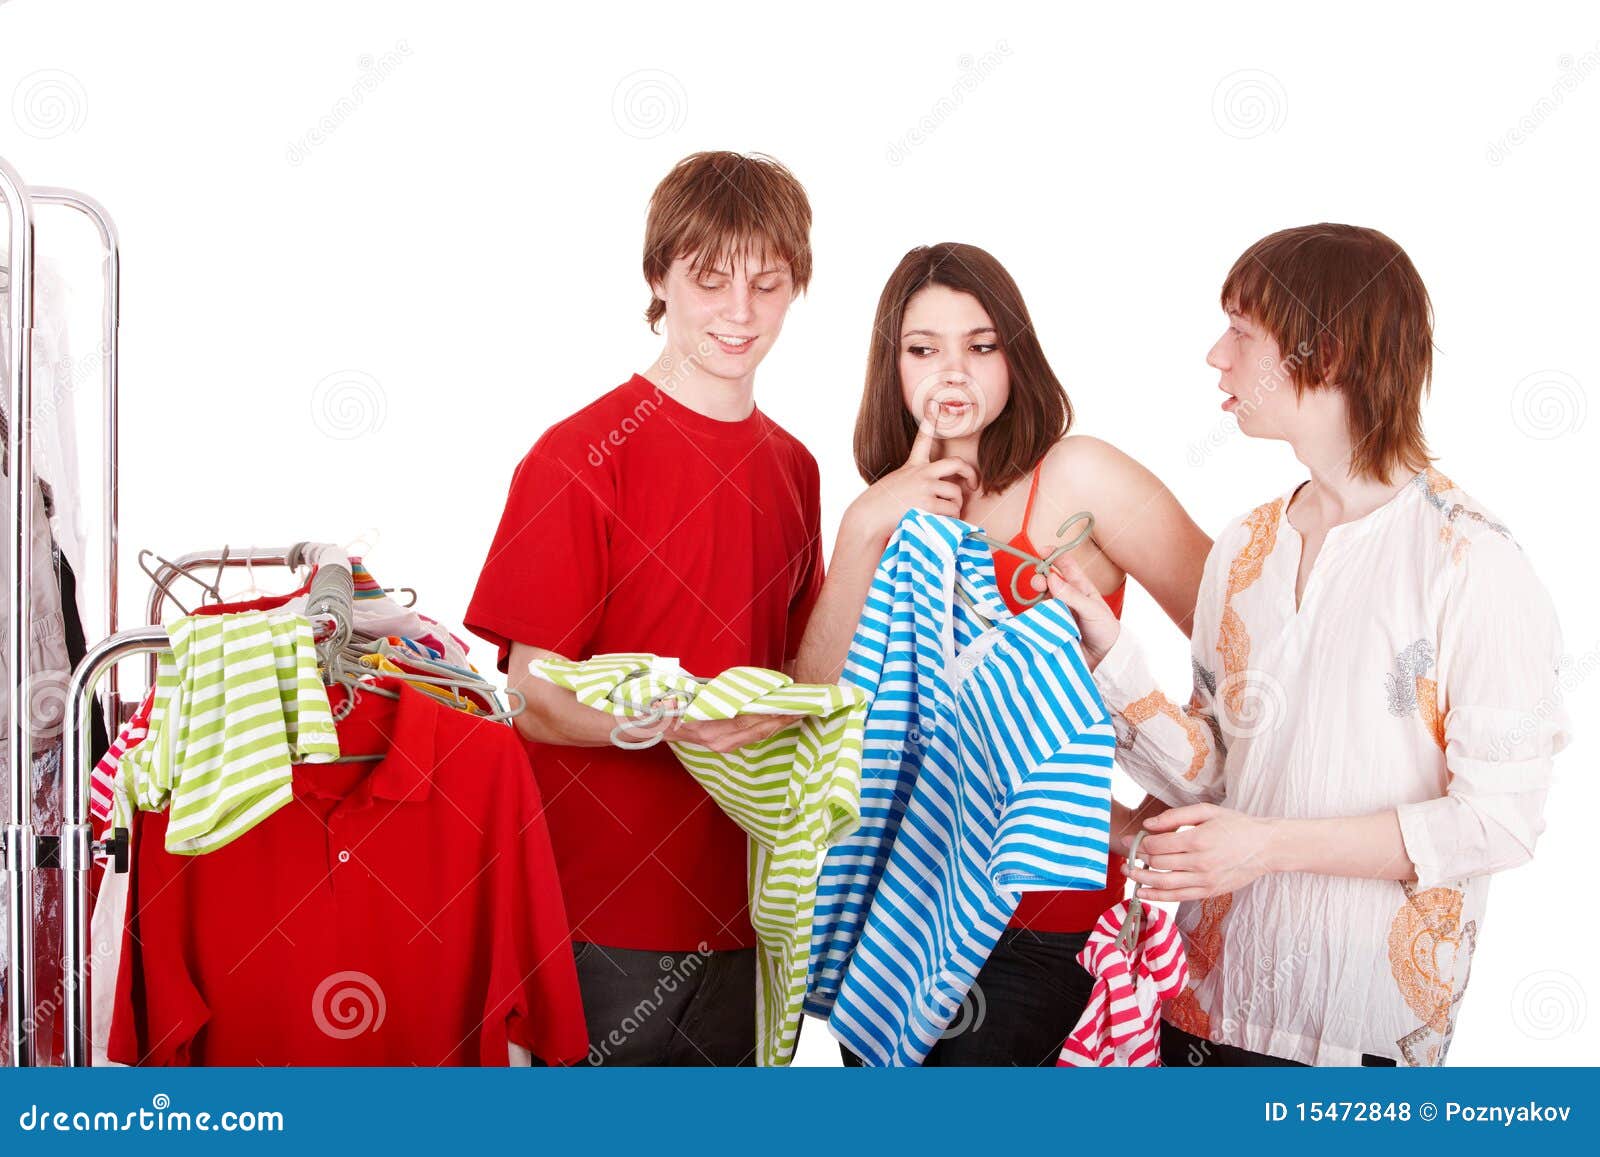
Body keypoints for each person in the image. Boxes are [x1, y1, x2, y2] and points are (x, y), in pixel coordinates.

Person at [1048, 222, 1572, 1067]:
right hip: (1194, 1013)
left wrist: (1264, 846)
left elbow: (1497, 821)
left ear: (1321, 351)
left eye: (1241, 333)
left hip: (1354, 1041)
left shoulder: (1472, 559)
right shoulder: (1245, 547)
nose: (1216, 356)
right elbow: (1217, 770)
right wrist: (1110, 651)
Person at [792, 242, 1213, 1065]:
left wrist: (1163, 803)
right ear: (894, 369)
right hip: (905, 917)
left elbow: (1240, 633)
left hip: (1039, 917)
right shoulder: (880, 515)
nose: (955, 370)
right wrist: (861, 529)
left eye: (981, 345)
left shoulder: (1080, 478)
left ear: (1016, 359)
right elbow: (817, 709)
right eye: (924, 349)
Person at [465, 151, 822, 1066]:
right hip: (600, 917)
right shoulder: (579, 457)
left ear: (796, 289)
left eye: (766, 283)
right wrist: (663, 727)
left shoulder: (794, 469)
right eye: (709, 281)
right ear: (659, 277)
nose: (738, 313)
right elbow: (533, 694)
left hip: (750, 913)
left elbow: (799, 670)